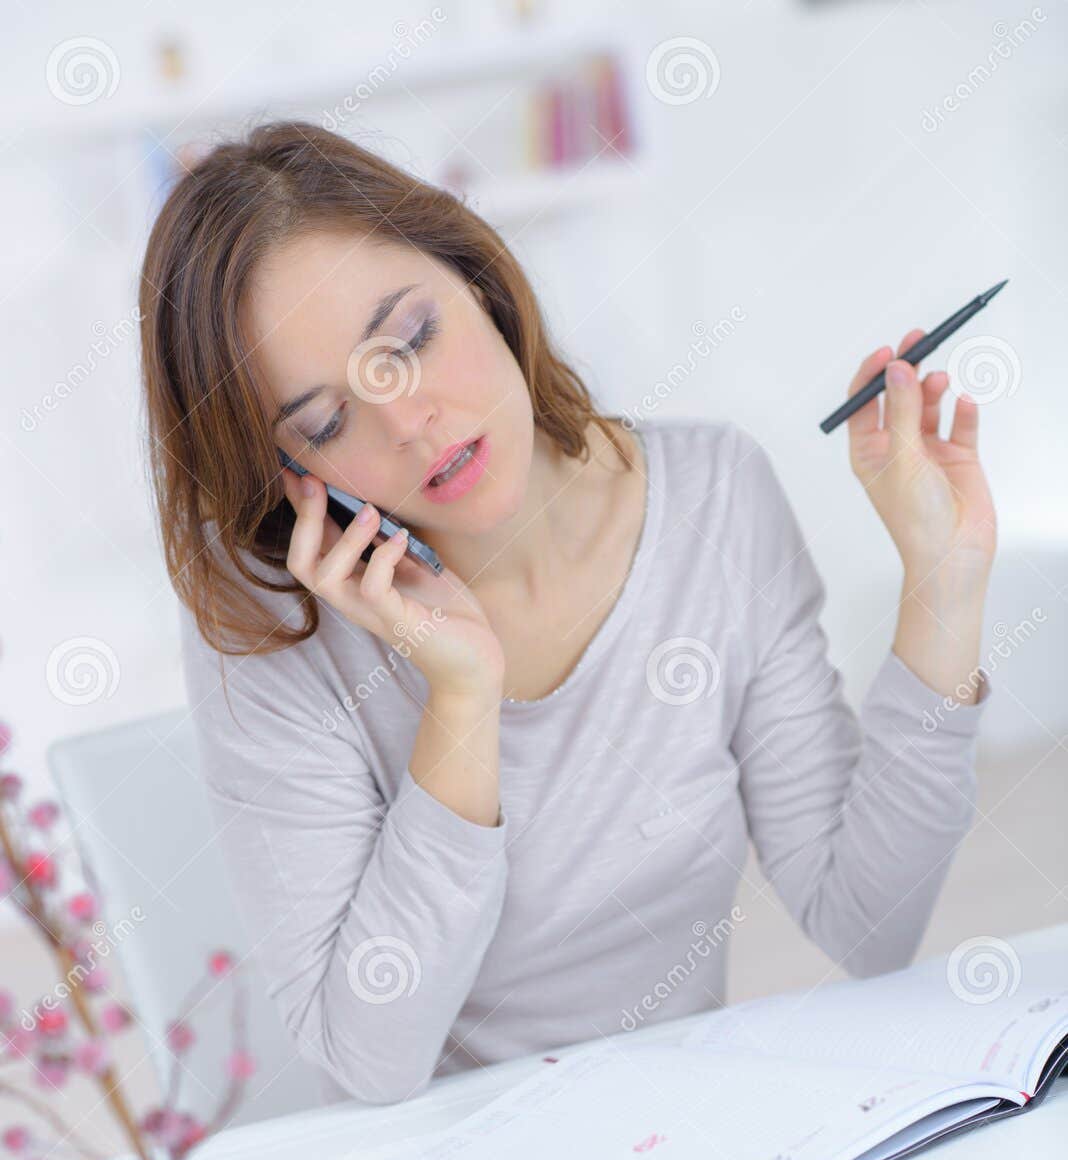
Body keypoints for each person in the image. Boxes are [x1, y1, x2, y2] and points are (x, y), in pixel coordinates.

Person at [140, 121, 995, 1106]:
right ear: (293, 471)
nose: (410, 419)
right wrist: (461, 704)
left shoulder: (715, 494)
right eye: (328, 422)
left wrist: (945, 578)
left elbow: (868, 919)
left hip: (683, 1146)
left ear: (480, 282)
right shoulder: (269, 623)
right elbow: (373, 1062)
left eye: (410, 338)